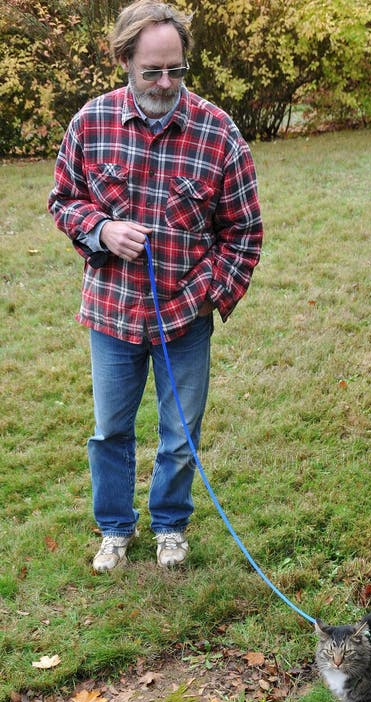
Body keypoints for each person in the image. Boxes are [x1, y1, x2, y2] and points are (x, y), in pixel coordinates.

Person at [49, 0, 263, 573]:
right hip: (113, 316)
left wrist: (204, 297)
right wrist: (100, 229)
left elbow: (243, 233)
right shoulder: (89, 124)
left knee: (180, 432)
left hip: (184, 321)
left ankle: (170, 525)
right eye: (152, 71)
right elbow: (63, 201)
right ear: (124, 61)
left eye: (176, 70)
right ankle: (115, 529)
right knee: (110, 431)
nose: (166, 83)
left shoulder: (218, 133)